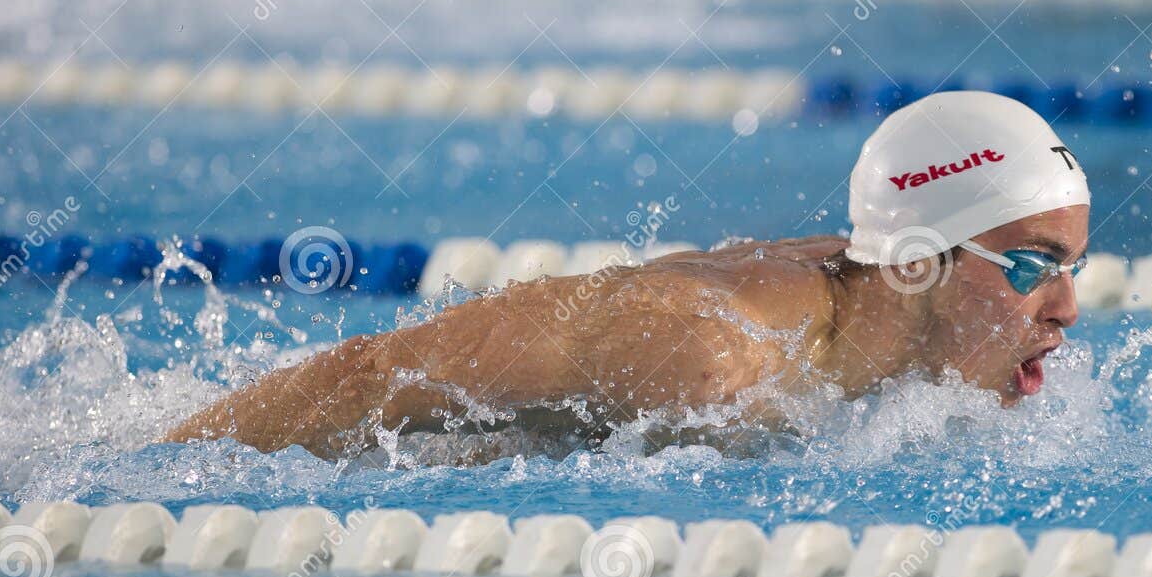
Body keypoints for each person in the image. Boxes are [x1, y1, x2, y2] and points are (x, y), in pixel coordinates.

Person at [164, 90, 1090, 457]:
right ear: (918, 264)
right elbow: (376, 375)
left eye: (1073, 268)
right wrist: (156, 467)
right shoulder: (712, 348)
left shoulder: (882, 335)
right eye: (1032, 266)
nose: (1069, 308)